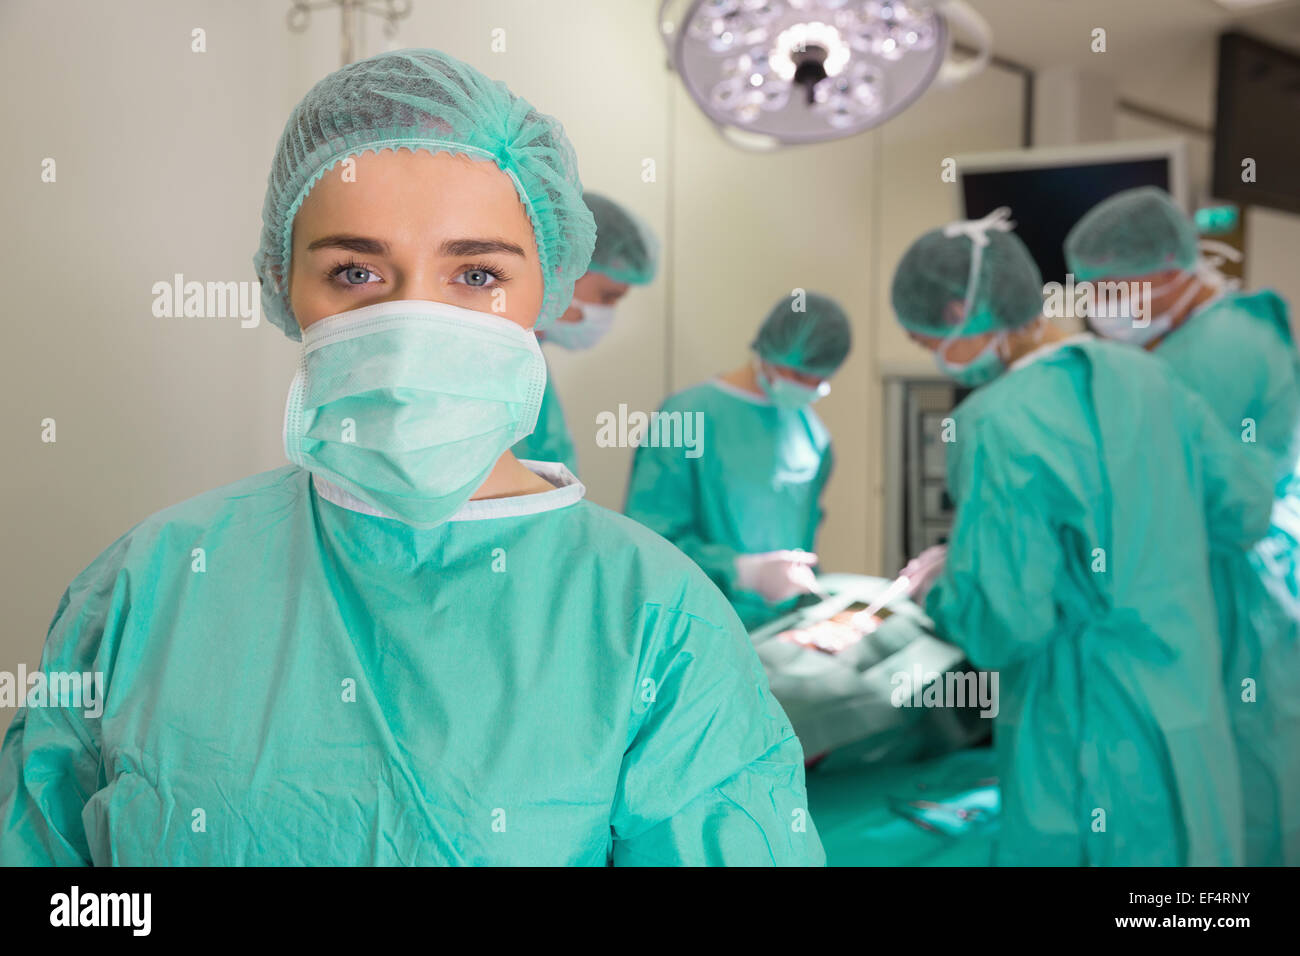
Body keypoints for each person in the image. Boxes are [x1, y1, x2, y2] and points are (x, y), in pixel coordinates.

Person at [0, 49, 823, 867]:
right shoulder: (152, 585)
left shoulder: (654, 622)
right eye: (355, 271)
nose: (411, 325)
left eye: (475, 273)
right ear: (285, 285)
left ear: (549, 289)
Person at [891, 208, 1271, 866]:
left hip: (1087, 744)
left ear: (961, 310)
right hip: (1188, 719)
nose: (938, 360)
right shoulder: (1154, 377)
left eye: (931, 342)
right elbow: (1245, 510)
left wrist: (943, 587)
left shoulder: (997, 423)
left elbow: (1006, 623)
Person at [1065, 186, 1300, 865]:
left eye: (1109, 284)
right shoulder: (1205, 335)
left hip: (1237, 594)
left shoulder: (1211, 353)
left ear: (1169, 270)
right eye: (1086, 286)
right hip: (1239, 584)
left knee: (1248, 778)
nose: (1095, 302)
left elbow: (1190, 498)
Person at [624, 292, 851, 630]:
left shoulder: (811, 433)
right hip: (700, 625)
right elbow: (649, 540)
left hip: (786, 627)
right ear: (768, 350)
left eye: (818, 379)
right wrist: (744, 572)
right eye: (798, 374)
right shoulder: (686, 417)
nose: (809, 387)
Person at [513, 192, 660, 475]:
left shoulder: (531, 361)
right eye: (607, 297)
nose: (606, 313)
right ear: (559, 270)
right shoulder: (503, 362)